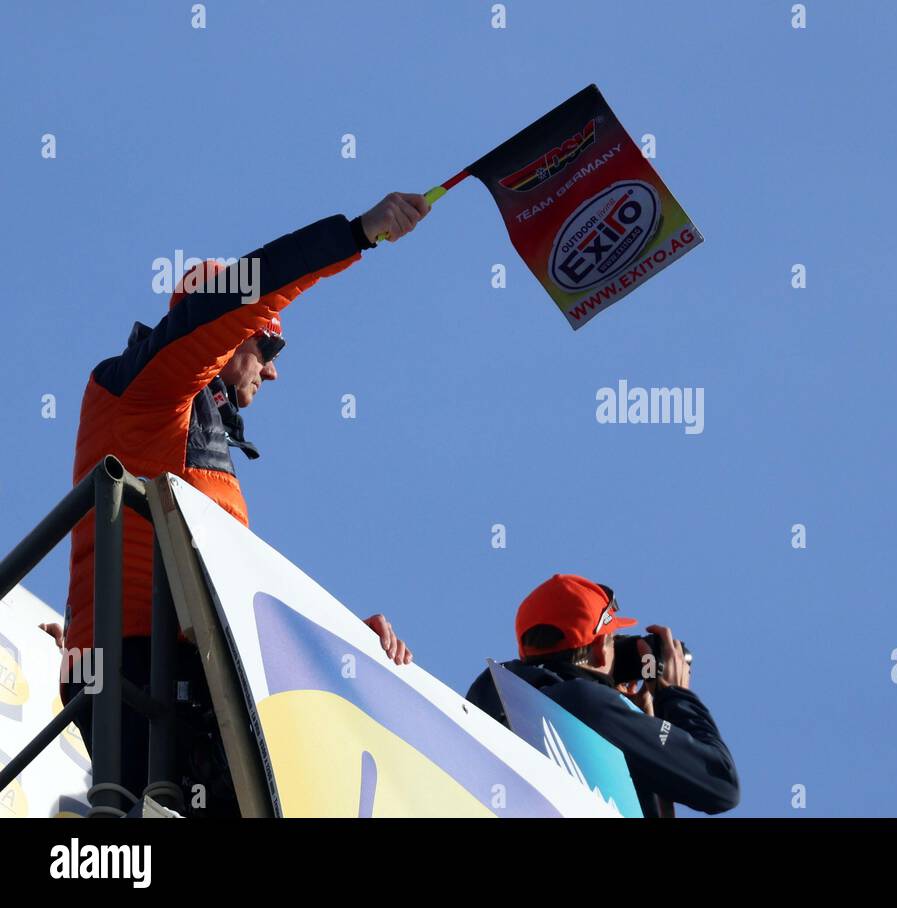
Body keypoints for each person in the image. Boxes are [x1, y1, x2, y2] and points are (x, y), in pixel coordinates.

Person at [56, 192, 429, 814]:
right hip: (139, 665)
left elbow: (237, 589)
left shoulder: (189, 434)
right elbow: (247, 294)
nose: (274, 373)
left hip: (179, 666)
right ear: (228, 336)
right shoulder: (149, 389)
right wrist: (359, 233)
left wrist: (340, 641)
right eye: (270, 349)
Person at [466, 574, 740, 817]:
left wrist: (640, 724)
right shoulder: (583, 703)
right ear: (600, 649)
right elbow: (720, 784)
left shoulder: (501, 699)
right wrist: (675, 695)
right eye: (613, 640)